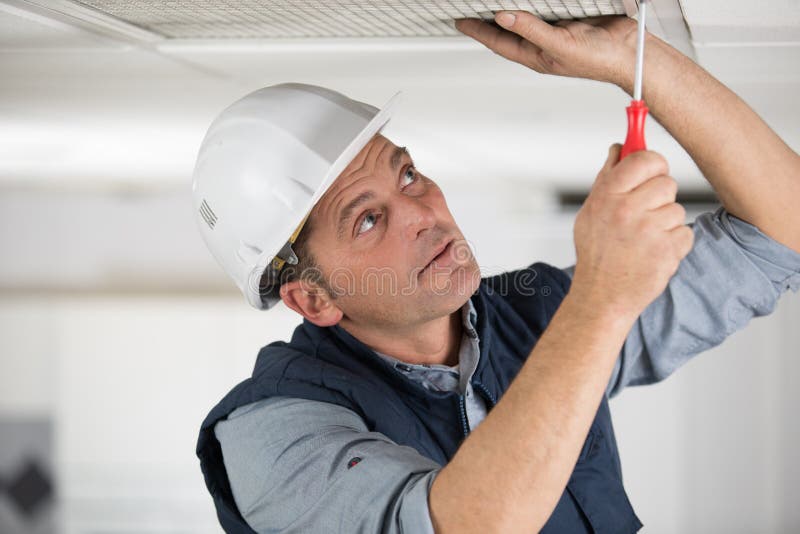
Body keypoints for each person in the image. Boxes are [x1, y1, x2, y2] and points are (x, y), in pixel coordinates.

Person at [193, 11, 800, 534]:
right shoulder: (272, 435)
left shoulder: (536, 315)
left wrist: (637, 60)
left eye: (406, 175)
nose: (423, 213)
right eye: (369, 220)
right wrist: (602, 298)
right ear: (313, 299)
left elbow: (783, 231)